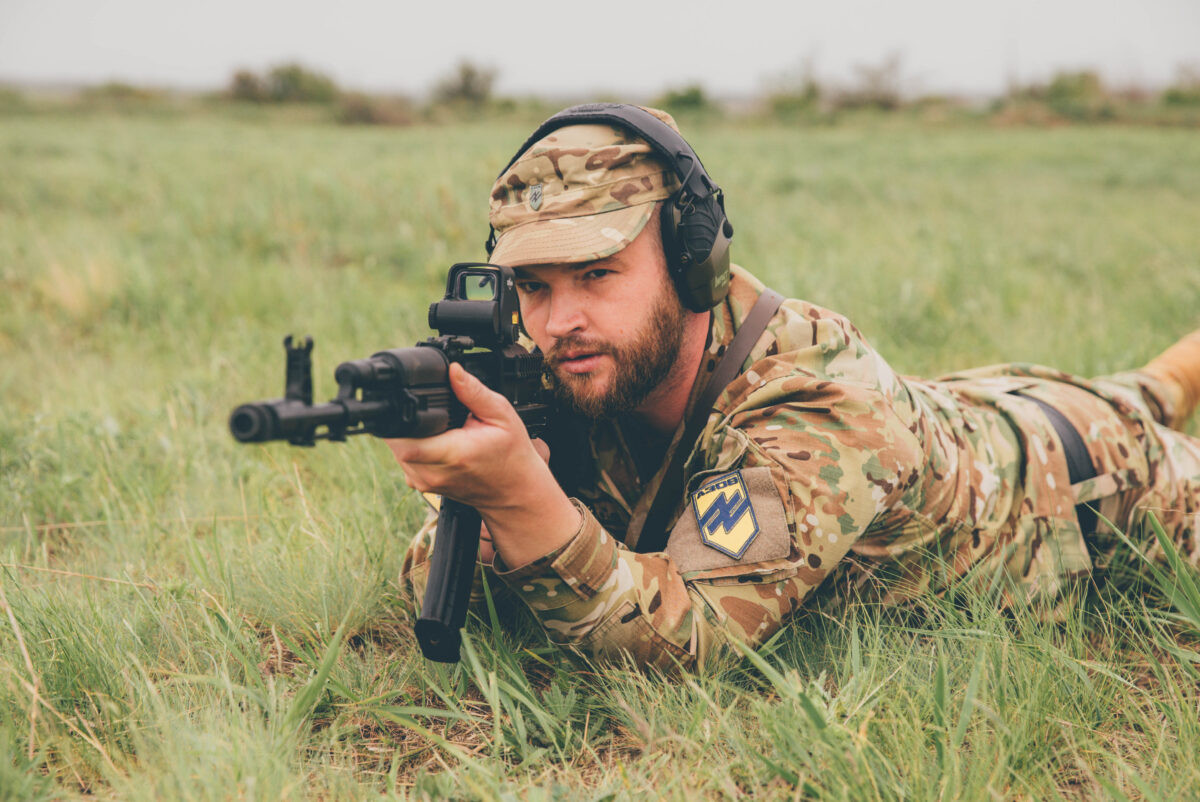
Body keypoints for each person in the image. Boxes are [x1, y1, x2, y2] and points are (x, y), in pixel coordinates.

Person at [389, 104, 1200, 671]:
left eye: (598, 274)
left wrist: (529, 505)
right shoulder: (570, 366)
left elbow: (693, 638)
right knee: (1154, 383)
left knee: (1132, 415)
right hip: (966, 405)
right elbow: (448, 582)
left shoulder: (816, 399)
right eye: (532, 286)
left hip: (1086, 479)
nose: (560, 319)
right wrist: (478, 505)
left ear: (687, 259)